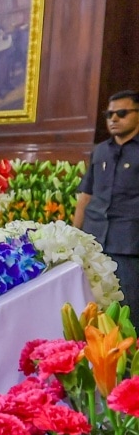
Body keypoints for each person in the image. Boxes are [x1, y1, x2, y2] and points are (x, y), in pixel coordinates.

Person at [75, 91, 139, 305]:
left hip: (128, 245)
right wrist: (74, 235)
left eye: (121, 113)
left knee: (128, 310)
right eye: (109, 114)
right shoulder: (100, 150)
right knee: (91, 304)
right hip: (94, 239)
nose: (113, 119)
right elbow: (86, 194)